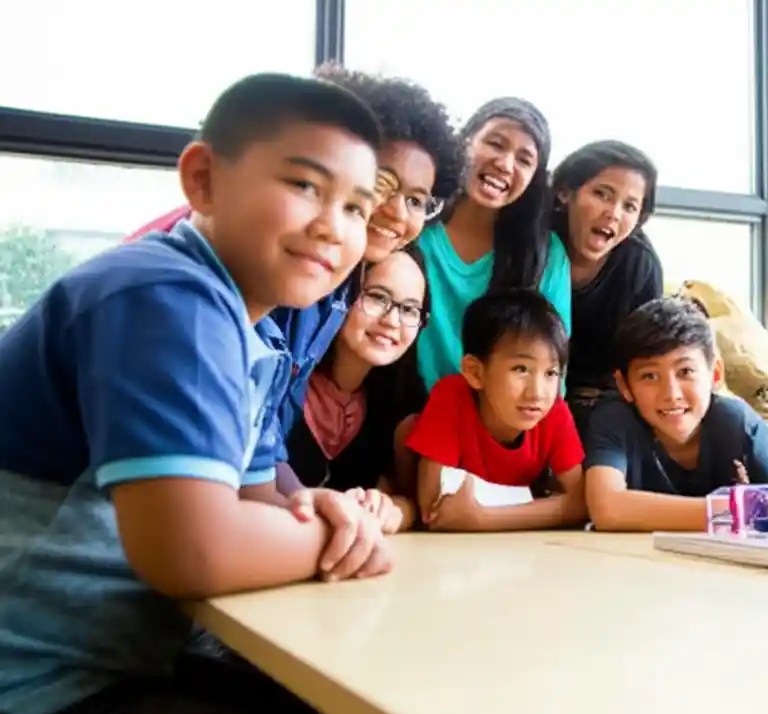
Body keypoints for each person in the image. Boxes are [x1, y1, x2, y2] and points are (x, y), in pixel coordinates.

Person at [0, 73, 393, 714]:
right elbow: (194, 551)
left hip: (132, 655)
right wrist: (336, 536)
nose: (333, 227)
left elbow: (257, 496)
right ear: (203, 179)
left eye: (356, 207)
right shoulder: (162, 296)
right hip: (41, 682)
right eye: (304, 185)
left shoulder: (255, 336)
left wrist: (314, 508)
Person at [122, 65, 461, 495]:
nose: (396, 212)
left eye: (416, 200)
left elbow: (260, 439)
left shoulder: (328, 279)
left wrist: (308, 508)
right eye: (380, 185)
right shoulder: (182, 282)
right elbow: (189, 534)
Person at [585, 297, 768, 532]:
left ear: (715, 374)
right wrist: (741, 511)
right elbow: (607, 509)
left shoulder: (735, 420)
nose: (671, 394)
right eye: (650, 376)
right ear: (624, 386)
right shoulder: (614, 420)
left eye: (685, 371)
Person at [416, 98, 572, 391]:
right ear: (465, 142)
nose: (505, 164)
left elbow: (552, 372)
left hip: (499, 424)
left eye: (524, 159)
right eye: (496, 144)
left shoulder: (546, 256)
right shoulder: (415, 227)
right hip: (403, 412)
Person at [406, 289, 586, 531]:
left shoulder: (553, 411)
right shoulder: (451, 397)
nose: (537, 392)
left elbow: (582, 503)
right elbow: (433, 509)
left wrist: (481, 518)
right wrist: (554, 509)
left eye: (551, 373)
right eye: (521, 369)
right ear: (475, 372)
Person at [285, 246, 428, 533]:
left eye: (409, 309)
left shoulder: (402, 403)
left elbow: (415, 502)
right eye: (377, 297)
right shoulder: (281, 379)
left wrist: (390, 510)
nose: (392, 321)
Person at [552, 140, 663, 432]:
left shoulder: (640, 265)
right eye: (602, 194)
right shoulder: (534, 241)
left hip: (603, 398)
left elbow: (646, 355)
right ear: (565, 192)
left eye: (630, 206)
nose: (614, 213)